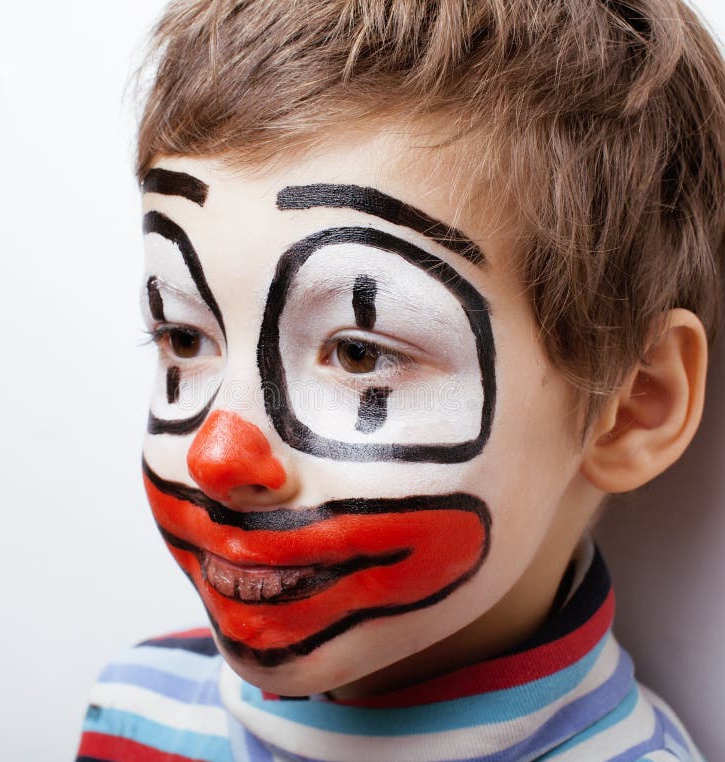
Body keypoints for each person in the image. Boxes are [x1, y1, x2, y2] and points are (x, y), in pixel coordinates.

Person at [76, 0, 725, 759]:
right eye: (184, 336)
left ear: (632, 406)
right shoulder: (134, 710)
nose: (215, 456)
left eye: (360, 354)